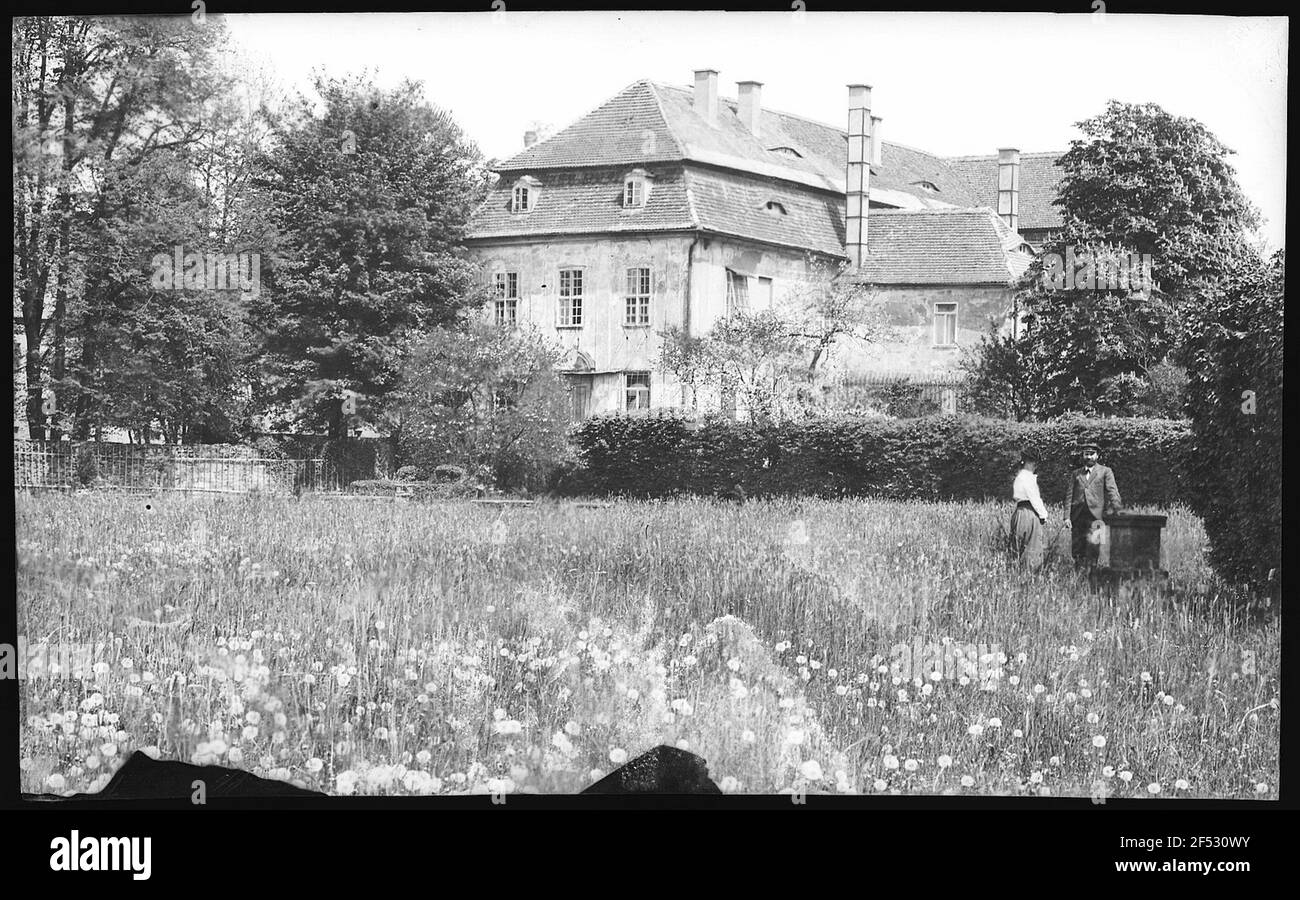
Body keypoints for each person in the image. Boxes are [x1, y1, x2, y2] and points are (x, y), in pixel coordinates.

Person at [1065, 442, 1123, 569]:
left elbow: (1112, 492)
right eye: (1086, 454)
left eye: (1092, 454)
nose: (1089, 457)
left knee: (1094, 549)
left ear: (1097, 456)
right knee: (1077, 550)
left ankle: (1092, 575)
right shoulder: (1076, 474)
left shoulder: (1105, 471)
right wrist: (1067, 517)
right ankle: (1078, 576)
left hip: (1097, 517)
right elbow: (1069, 496)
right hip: (1077, 517)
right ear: (1082, 455)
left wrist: (1117, 511)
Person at [1011, 448, 1049, 570]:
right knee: (1032, 547)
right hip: (1029, 513)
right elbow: (1035, 499)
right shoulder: (1027, 477)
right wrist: (1043, 515)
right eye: (1033, 462)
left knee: (1018, 545)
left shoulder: (1019, 477)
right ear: (1028, 462)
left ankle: (1016, 572)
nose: (1035, 465)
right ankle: (1030, 575)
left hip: (1019, 513)